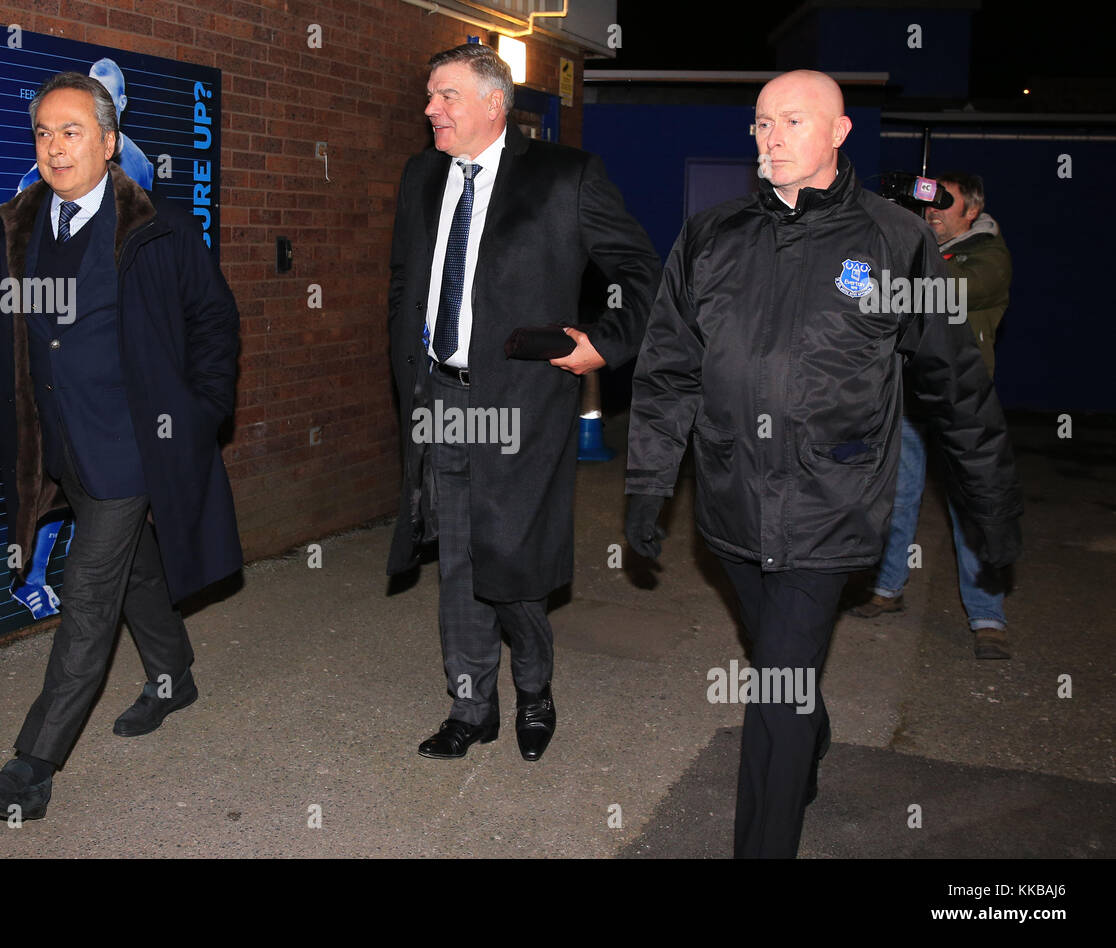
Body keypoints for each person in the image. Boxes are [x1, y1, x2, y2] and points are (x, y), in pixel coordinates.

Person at [624, 71, 1022, 857]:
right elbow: (669, 368)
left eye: (792, 121)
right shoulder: (710, 236)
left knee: (774, 690)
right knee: (779, 654)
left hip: (829, 504)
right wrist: (648, 482)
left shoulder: (897, 242)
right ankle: (810, 727)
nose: (770, 137)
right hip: (732, 505)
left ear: (839, 133)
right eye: (761, 122)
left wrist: (991, 508)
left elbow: (956, 387)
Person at [0, 71, 242, 821]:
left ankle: (32, 766)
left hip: (131, 446)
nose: (55, 149)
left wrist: (204, 411)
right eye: (44, 134)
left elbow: (215, 323)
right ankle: (173, 676)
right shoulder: (24, 226)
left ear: (110, 142)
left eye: (72, 131)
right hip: (58, 444)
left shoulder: (158, 227)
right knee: (137, 573)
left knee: (88, 597)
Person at [387, 44, 659, 762]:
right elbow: (404, 283)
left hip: (524, 403)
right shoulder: (421, 176)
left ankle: (535, 689)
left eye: (444, 96)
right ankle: (471, 704)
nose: (430, 110)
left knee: (509, 552)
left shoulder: (565, 177)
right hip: (441, 394)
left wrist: (605, 341)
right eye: (429, 96)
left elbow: (638, 271)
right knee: (454, 554)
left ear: (492, 103)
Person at [849, 172, 1014, 659]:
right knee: (895, 500)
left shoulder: (987, 258)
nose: (933, 212)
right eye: (928, 204)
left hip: (960, 404)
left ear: (972, 213)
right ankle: (886, 588)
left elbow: (934, 294)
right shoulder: (914, 246)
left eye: (946, 205)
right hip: (905, 398)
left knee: (970, 508)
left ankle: (988, 617)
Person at [18, 58, 155, 193]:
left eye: (70, 134)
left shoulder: (141, 166)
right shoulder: (35, 180)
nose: (54, 149)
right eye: (45, 134)